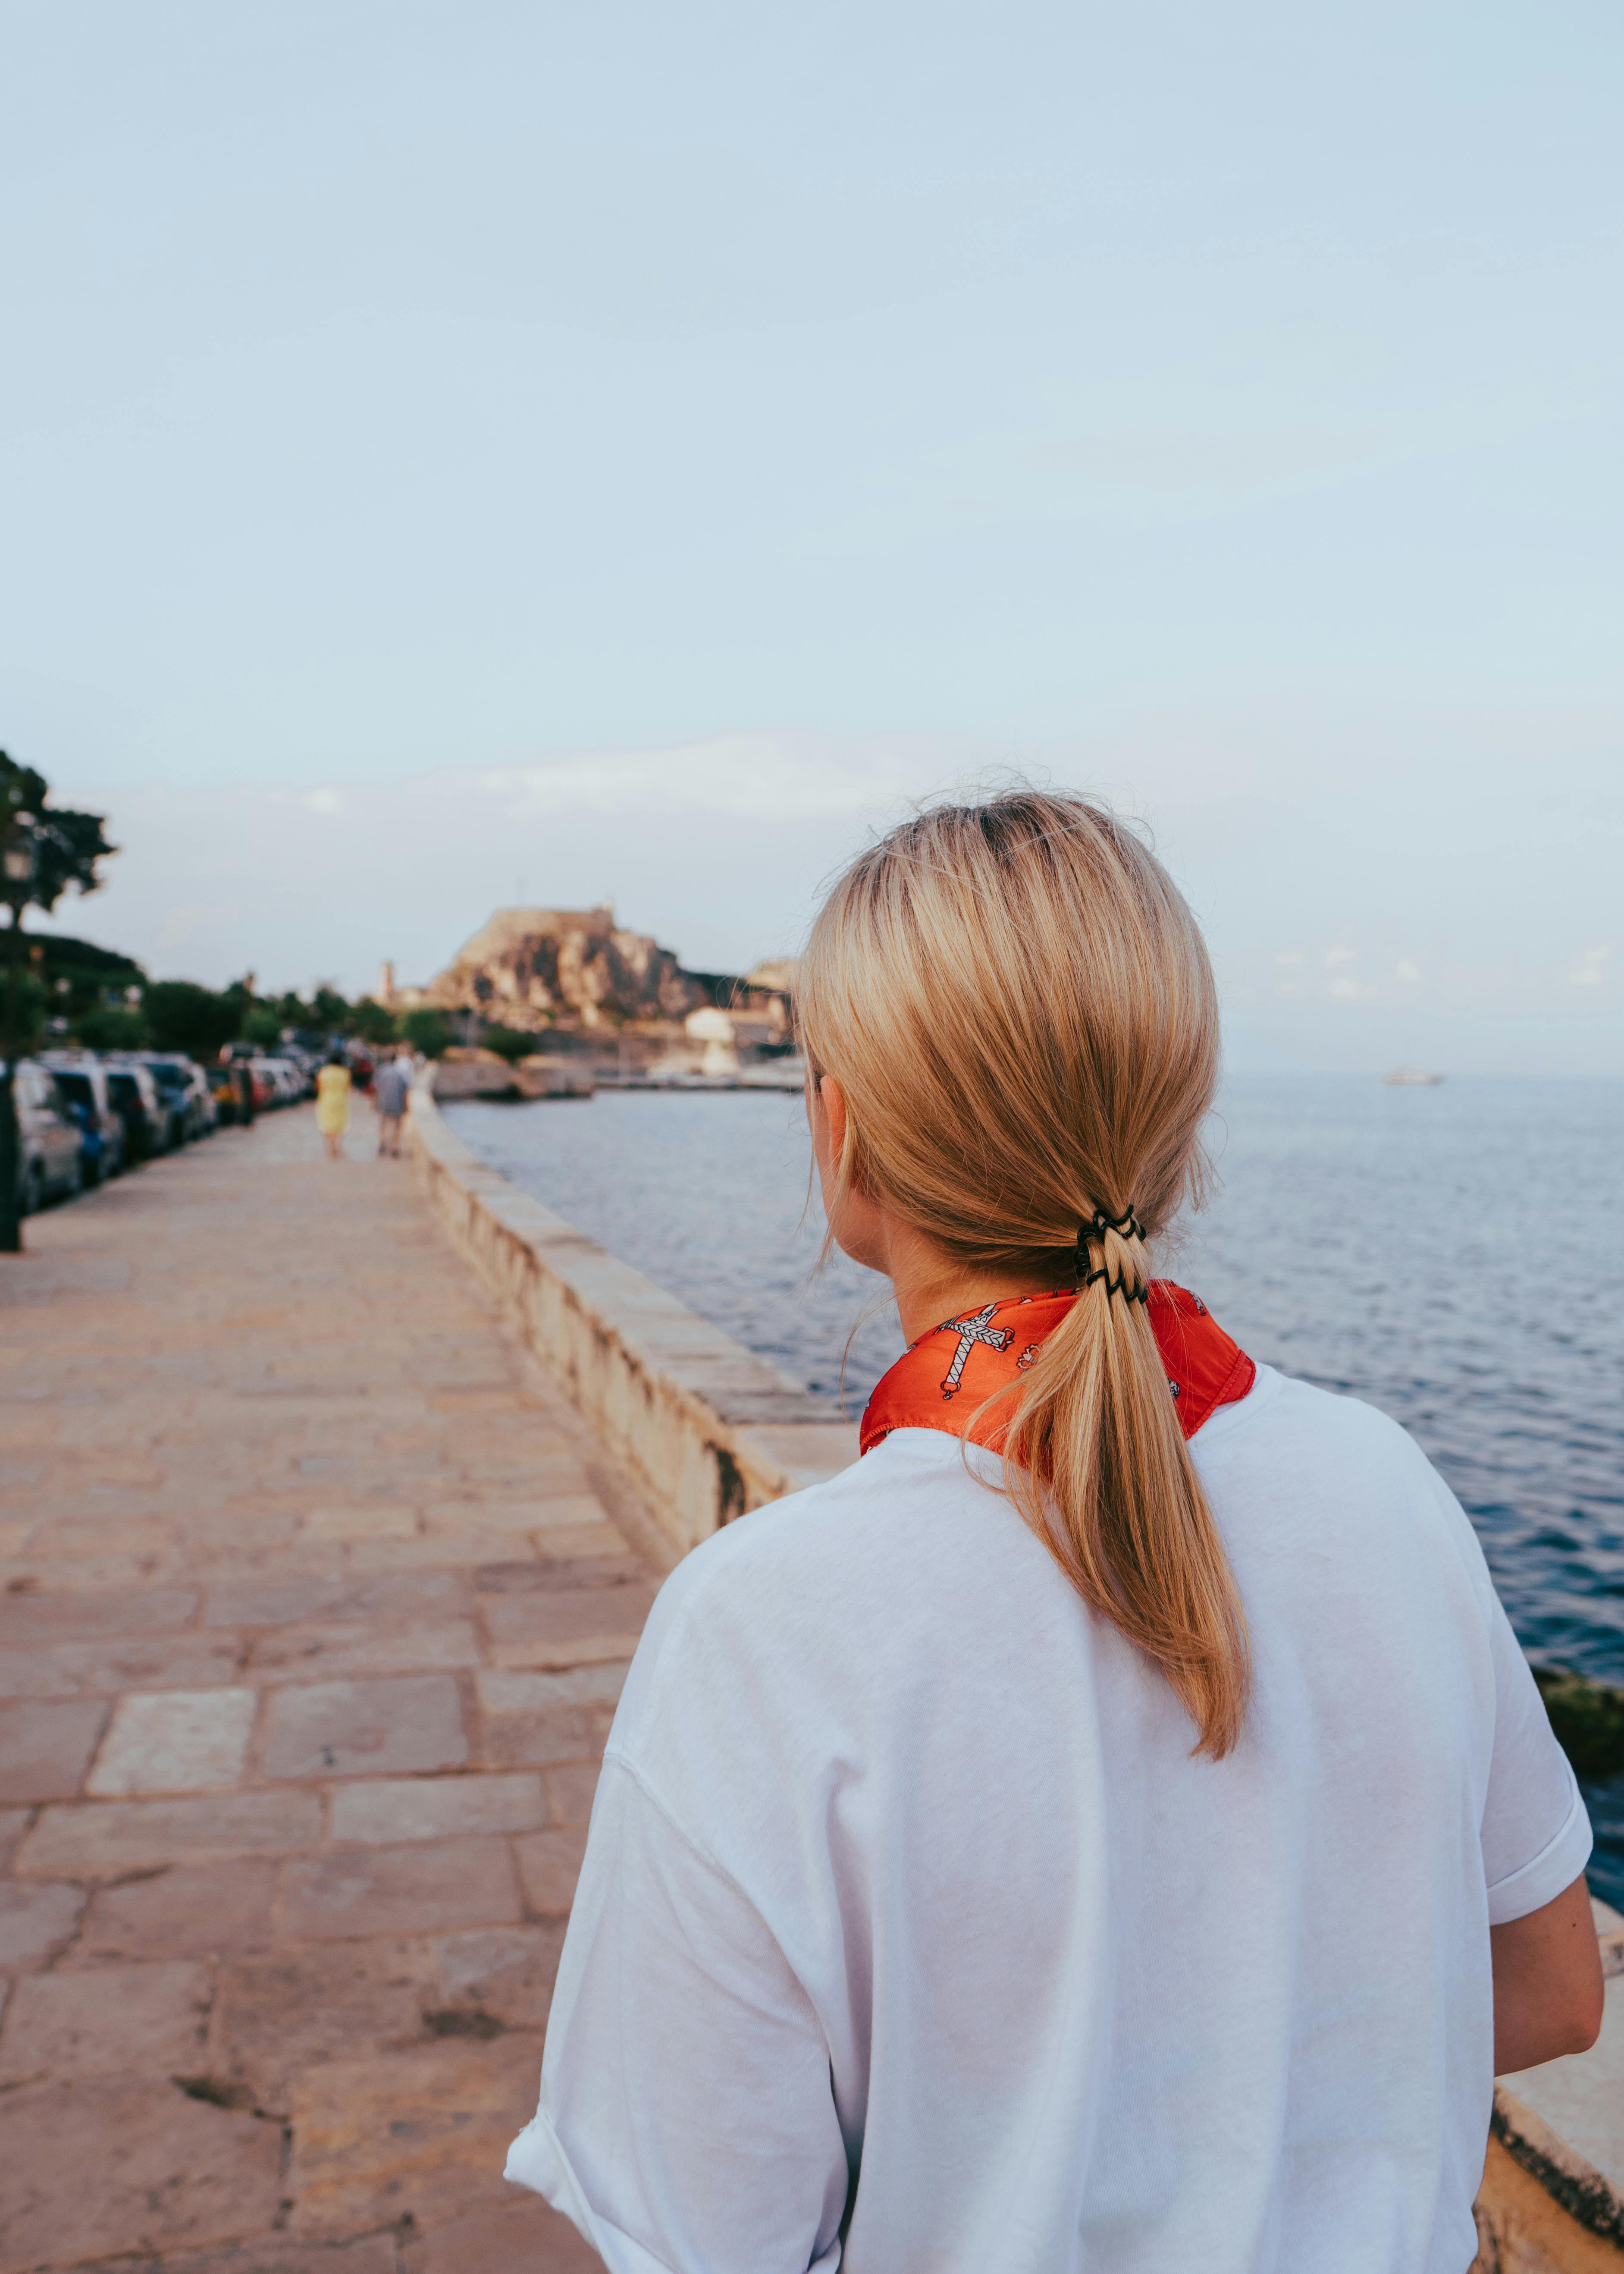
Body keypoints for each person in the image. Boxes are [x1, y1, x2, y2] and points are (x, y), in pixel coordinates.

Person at [508, 792, 1602, 2274]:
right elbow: (1547, 1992)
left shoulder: (764, 1627)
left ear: (843, 1138)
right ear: (1176, 1123)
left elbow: (699, 2230)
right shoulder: (1385, 1485)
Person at [372, 1047, 413, 1158]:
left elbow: (376, 1089)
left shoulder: (380, 1071)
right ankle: (395, 1146)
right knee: (397, 1124)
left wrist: (375, 1103)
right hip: (397, 1103)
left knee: (384, 1123)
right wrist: (406, 1106)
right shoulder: (400, 1074)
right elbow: (405, 1091)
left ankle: (383, 1142)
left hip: (383, 1102)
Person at [313, 1049, 351, 1162]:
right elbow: (347, 1088)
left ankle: (329, 1150)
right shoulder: (345, 1072)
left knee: (327, 1125)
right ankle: (337, 1148)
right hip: (340, 1101)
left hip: (326, 1101)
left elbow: (319, 1088)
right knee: (339, 1126)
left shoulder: (324, 1072)